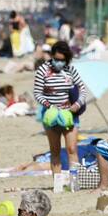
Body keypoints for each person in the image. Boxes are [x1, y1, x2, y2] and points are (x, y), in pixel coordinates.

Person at [34, 40, 90, 177]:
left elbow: (83, 89)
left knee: (72, 148)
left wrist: (77, 105)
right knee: (55, 150)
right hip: (50, 115)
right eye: (57, 59)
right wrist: (49, 105)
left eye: (63, 60)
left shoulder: (70, 70)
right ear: (52, 56)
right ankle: (57, 182)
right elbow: (37, 93)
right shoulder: (42, 70)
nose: (59, 62)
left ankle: (74, 180)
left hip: (70, 114)